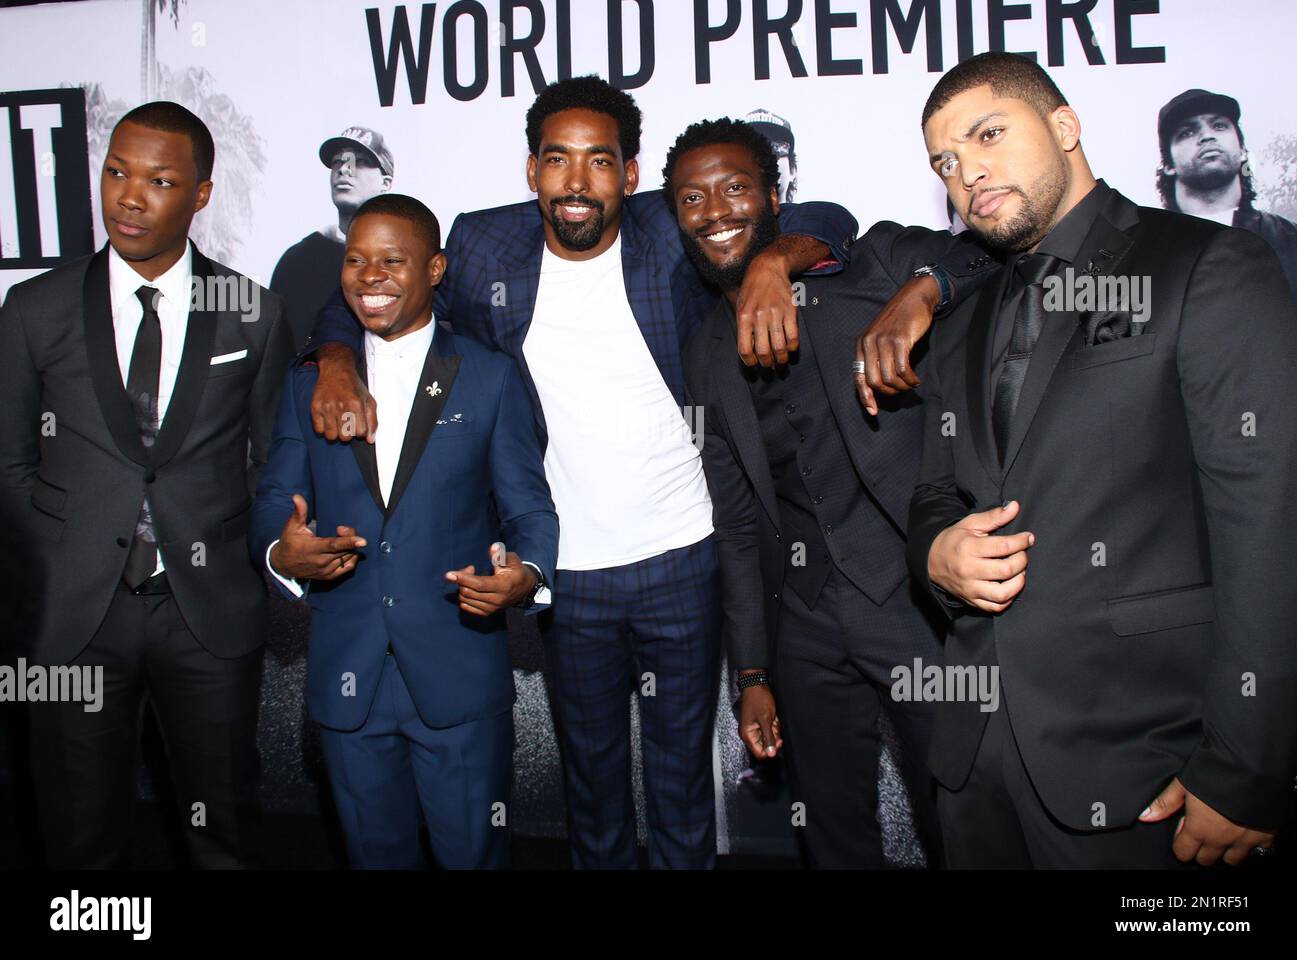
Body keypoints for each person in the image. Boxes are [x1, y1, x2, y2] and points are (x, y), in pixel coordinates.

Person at [299, 75, 875, 869]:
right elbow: (372, 288)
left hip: (684, 555)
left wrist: (775, 261)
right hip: (567, 574)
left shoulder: (668, 228)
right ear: (530, 169)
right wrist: (335, 359)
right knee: (593, 791)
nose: (576, 181)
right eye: (556, 159)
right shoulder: (481, 246)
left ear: (629, 175)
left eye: (599, 161)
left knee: (680, 787)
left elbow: (828, 220)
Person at [905, 52, 1297, 867]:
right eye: (944, 161)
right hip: (974, 769)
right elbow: (936, 491)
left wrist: (1247, 768)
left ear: (1065, 126)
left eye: (987, 135)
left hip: (1150, 764)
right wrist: (937, 552)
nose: (966, 171)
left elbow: (1271, 523)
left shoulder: (1206, 265)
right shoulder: (961, 318)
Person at [671, 119, 991, 867]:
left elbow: (986, 252)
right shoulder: (703, 351)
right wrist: (753, 674)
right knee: (829, 836)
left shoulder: (871, 265)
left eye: (735, 188)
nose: (714, 211)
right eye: (691, 198)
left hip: (917, 602)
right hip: (804, 623)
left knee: (961, 821)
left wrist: (921, 294)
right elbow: (738, 524)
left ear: (774, 197)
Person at [0, 101, 294, 868]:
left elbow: (271, 460)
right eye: (116, 172)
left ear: (201, 193)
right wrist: (57, 565)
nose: (129, 197)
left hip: (206, 612)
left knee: (222, 833)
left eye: (159, 180)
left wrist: (238, 547)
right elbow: (9, 462)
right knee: (76, 836)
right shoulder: (34, 308)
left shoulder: (252, 312)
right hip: (73, 618)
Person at [251, 195, 557, 869]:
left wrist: (528, 575)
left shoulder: (490, 374)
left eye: (392, 260)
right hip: (348, 678)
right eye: (356, 260)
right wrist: (282, 550)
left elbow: (530, 510)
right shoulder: (310, 384)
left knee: (474, 857)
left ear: (435, 268)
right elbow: (275, 497)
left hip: (459, 676)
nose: (370, 276)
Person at [1155, 89, 1297, 302]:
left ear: (1242, 150)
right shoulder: (1143, 254)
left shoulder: (1293, 242)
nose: (1207, 136)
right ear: (1168, 164)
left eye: (1219, 126)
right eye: (1186, 132)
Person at [270, 126, 395, 348]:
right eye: (338, 162)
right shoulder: (298, 259)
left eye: (360, 161)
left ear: (385, 183)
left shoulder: (408, 262)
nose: (345, 170)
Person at [744, 108, 798, 203]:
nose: (764, 160)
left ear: (792, 170)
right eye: (750, 150)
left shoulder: (817, 212)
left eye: (776, 149)